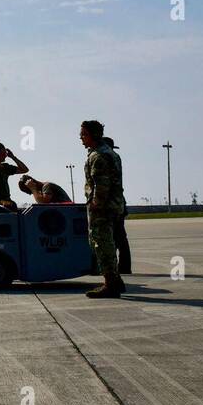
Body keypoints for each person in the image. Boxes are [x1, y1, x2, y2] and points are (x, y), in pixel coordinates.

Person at [81, 121, 126, 298]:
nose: (81, 138)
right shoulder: (111, 153)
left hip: (102, 207)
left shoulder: (98, 156)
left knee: (101, 244)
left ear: (92, 135)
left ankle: (110, 284)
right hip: (114, 205)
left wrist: (95, 204)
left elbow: (101, 184)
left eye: (83, 134)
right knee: (109, 243)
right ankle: (115, 279)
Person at [102, 136, 132, 275]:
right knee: (119, 237)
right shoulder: (115, 158)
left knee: (114, 237)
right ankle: (122, 267)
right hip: (118, 202)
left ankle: (116, 268)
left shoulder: (106, 159)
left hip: (111, 204)